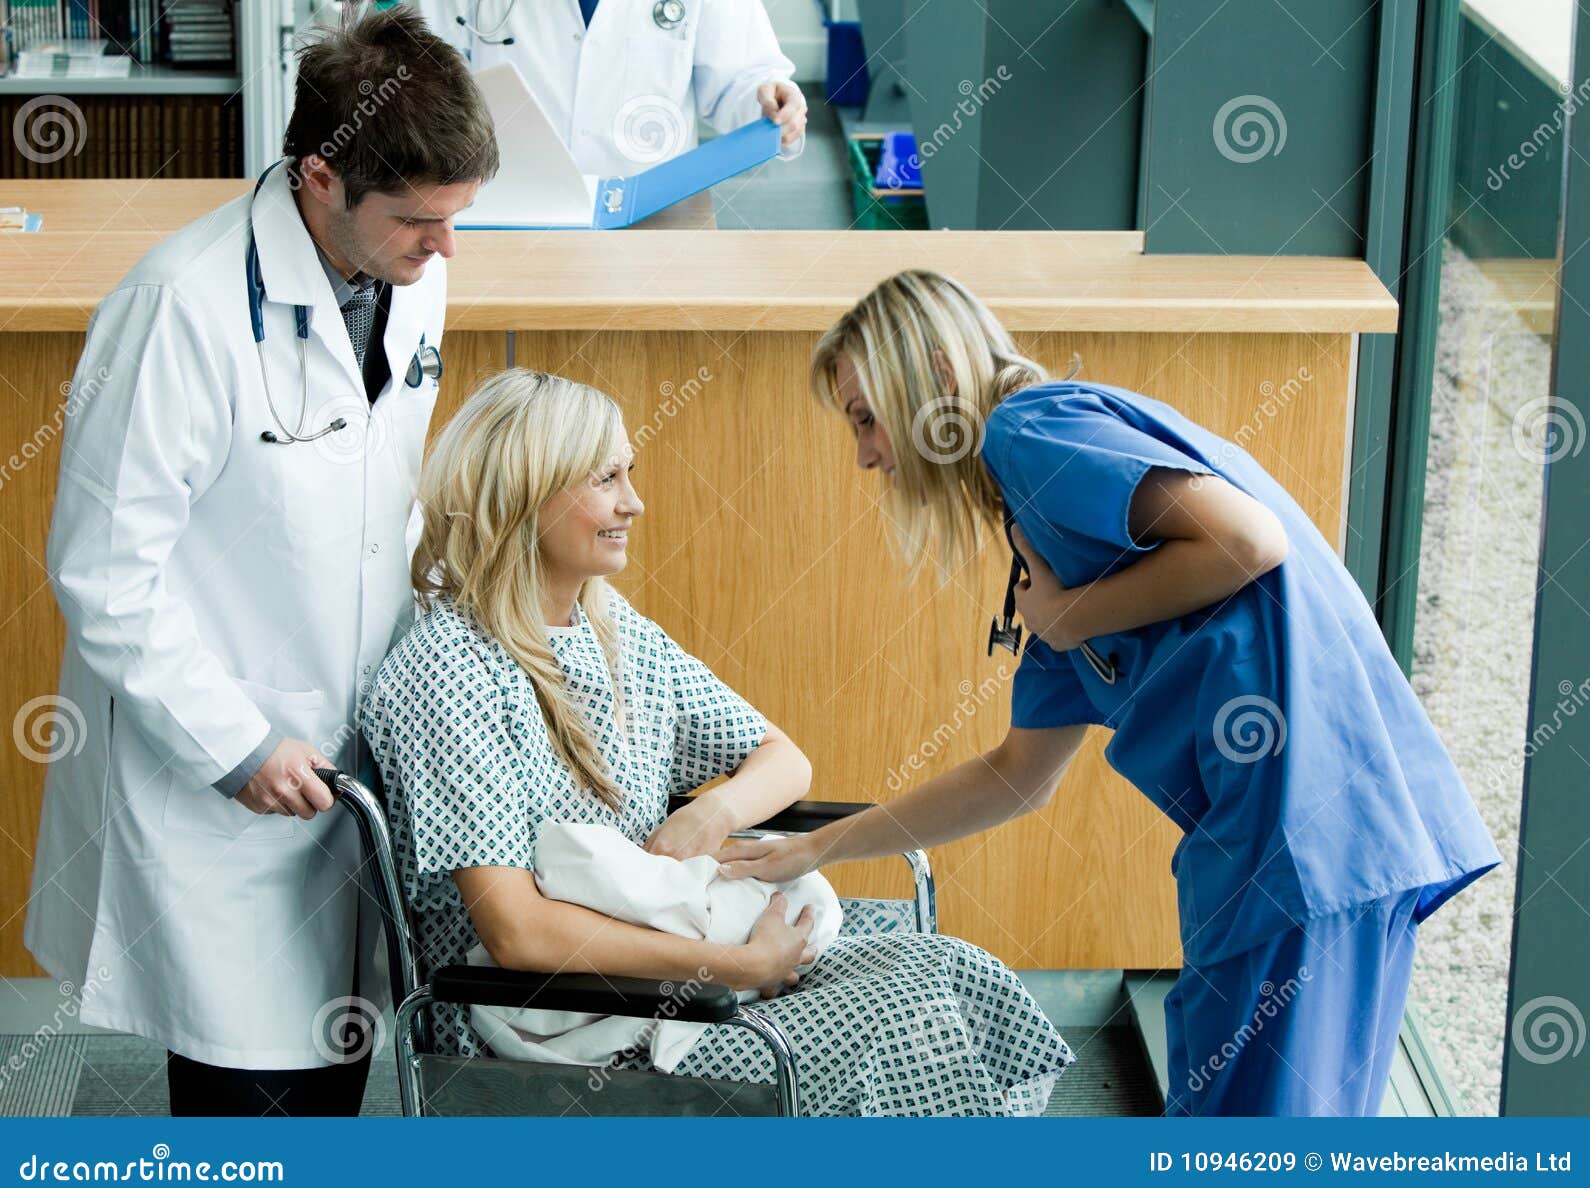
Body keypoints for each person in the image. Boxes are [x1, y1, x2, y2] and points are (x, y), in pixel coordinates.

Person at [713, 269, 1503, 1117]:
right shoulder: (1045, 531)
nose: (865, 452)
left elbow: (1249, 540)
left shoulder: (1032, 432)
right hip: (1303, 841)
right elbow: (1018, 775)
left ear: (939, 376)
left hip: (1304, 834)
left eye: (866, 416)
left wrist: (1069, 614)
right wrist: (816, 848)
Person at [358, 368, 1074, 1115]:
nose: (634, 501)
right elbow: (518, 932)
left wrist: (715, 812)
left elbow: (782, 759)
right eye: (606, 478)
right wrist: (728, 967)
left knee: (955, 973)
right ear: (525, 492)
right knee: (905, 1021)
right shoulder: (449, 669)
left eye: (628, 473)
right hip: (549, 1022)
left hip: (659, 970)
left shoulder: (612, 628)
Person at [24, 7, 498, 1117]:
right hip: (223, 767)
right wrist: (233, 743)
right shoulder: (178, 307)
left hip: (350, 755)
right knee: (249, 1096)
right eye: (422, 222)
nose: (446, 252)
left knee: (332, 1067)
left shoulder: (414, 268)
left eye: (457, 220)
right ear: (321, 180)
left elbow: (381, 498)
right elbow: (103, 571)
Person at [410, 0, 806, 176]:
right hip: (505, 203)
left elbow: (741, 78)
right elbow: (428, 81)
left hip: (654, 204)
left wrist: (771, 104)